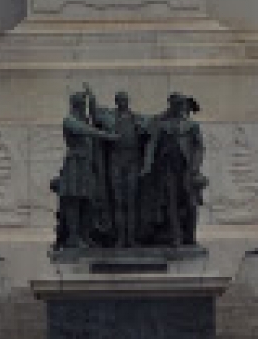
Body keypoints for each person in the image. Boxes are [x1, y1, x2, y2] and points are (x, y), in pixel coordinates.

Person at [140, 93, 206, 247]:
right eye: (175, 105)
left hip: (187, 169)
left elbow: (199, 147)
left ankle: (190, 235)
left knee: (191, 203)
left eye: (180, 105)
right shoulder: (162, 125)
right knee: (171, 203)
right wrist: (147, 165)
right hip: (167, 168)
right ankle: (176, 236)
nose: (178, 108)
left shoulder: (192, 125)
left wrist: (195, 167)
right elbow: (152, 145)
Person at [54, 91, 118, 249]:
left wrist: (93, 99)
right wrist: (106, 136)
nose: (83, 107)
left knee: (88, 201)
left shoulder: (86, 120)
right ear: (75, 104)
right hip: (75, 164)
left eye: (84, 104)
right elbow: (85, 130)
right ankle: (73, 237)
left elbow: (94, 120)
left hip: (87, 165)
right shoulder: (70, 120)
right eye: (81, 104)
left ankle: (85, 235)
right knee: (74, 200)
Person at [87, 86, 147, 247]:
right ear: (116, 102)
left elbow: (152, 128)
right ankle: (120, 238)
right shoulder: (109, 116)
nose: (123, 103)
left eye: (125, 100)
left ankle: (132, 238)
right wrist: (91, 98)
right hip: (115, 161)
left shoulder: (137, 118)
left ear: (128, 102)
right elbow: (95, 114)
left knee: (132, 202)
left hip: (133, 162)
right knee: (118, 201)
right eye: (120, 100)